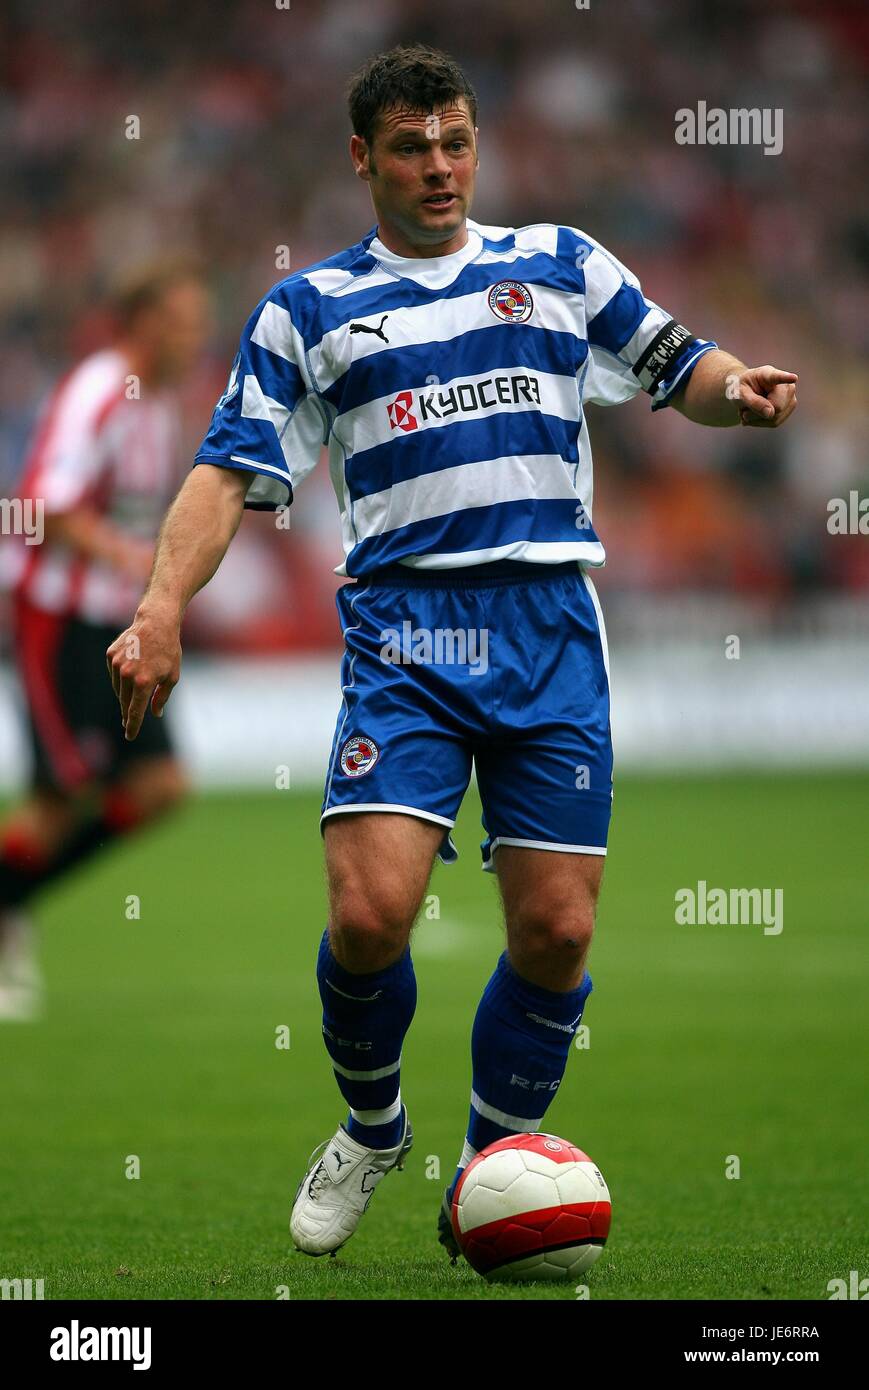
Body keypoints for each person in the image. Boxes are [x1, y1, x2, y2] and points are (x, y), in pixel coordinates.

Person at [106, 44, 797, 1263]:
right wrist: (161, 608)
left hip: (548, 635)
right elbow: (227, 473)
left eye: (457, 141)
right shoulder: (308, 309)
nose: (440, 167)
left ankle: (487, 1170)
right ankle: (372, 1127)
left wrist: (734, 386)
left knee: (558, 935)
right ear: (361, 156)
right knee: (372, 917)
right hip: (407, 636)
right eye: (414, 147)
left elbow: (673, 365)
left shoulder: (559, 264)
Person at [0, 258, 210, 1019]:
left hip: (119, 622)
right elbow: (37, 504)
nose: (196, 338)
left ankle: (9, 897)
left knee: (160, 789)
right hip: (59, 616)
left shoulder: (158, 405)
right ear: (145, 322)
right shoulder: (99, 389)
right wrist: (126, 555)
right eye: (184, 323)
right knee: (64, 796)